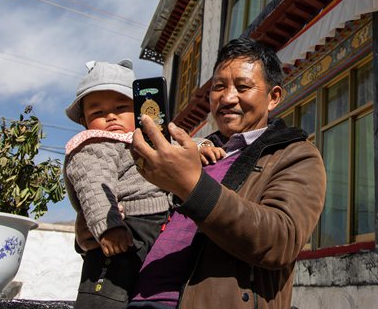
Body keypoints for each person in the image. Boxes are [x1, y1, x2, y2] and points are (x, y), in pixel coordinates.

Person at [125, 38, 327, 308]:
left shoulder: (295, 154)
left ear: (273, 97)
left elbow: (281, 239)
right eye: (219, 87)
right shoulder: (195, 153)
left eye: (243, 87)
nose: (228, 98)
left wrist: (192, 187)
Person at [65, 60, 210, 309]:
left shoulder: (144, 139)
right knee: (105, 296)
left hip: (159, 226)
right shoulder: (95, 144)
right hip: (124, 227)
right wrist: (108, 227)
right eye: (97, 112)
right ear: (85, 121)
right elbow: (95, 185)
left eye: (121, 107)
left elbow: (176, 148)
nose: (110, 116)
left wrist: (203, 147)